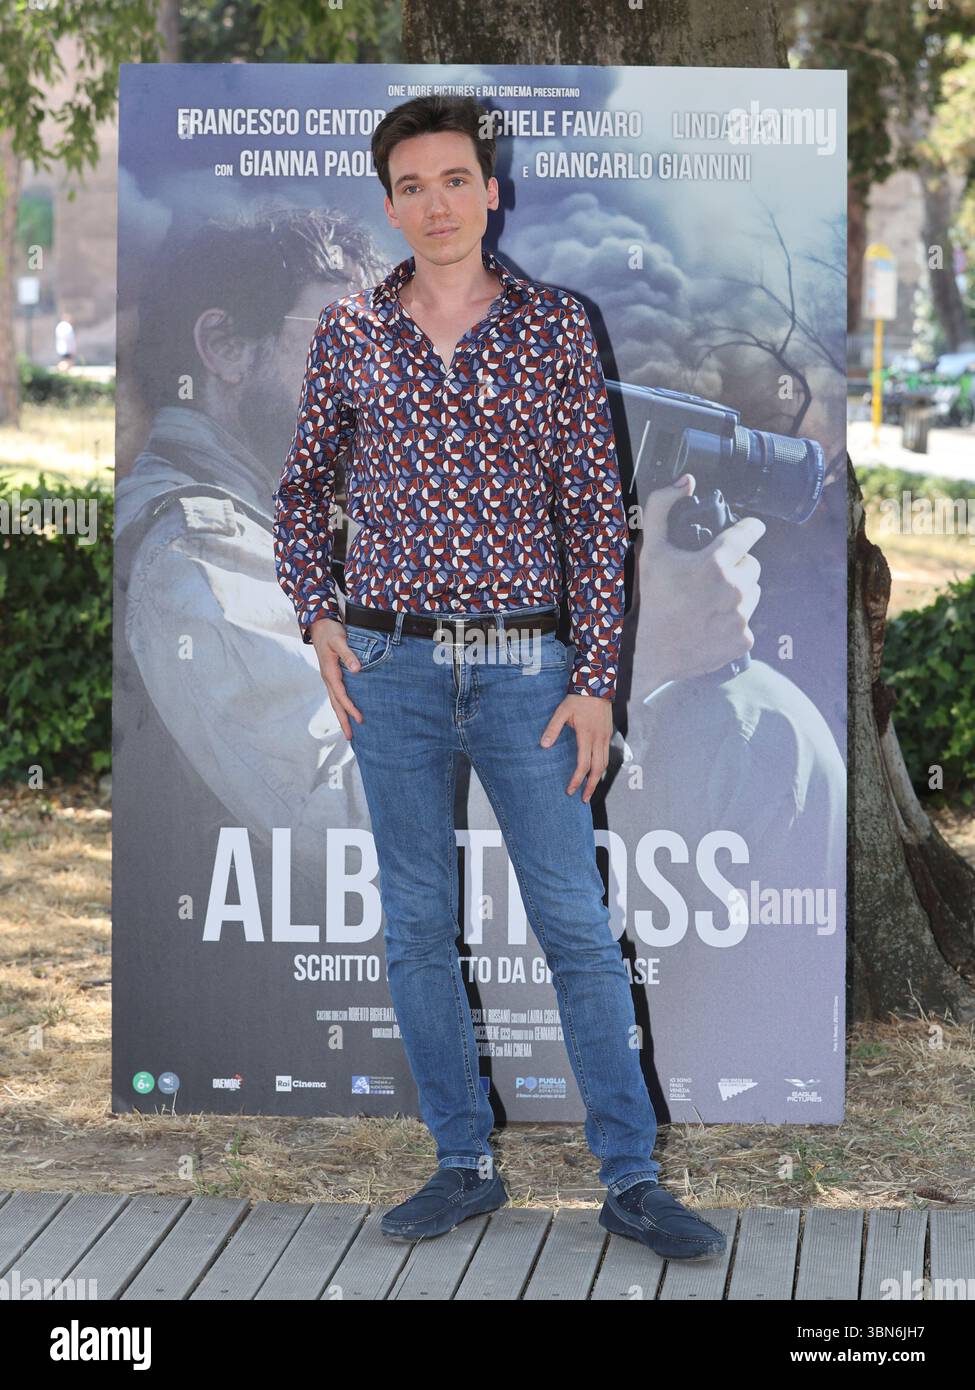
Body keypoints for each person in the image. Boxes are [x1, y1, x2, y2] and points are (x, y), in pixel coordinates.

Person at [273, 94, 728, 1259]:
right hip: (391, 668)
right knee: (418, 926)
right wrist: (317, 613)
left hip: (532, 671)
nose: (436, 202)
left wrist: (595, 681)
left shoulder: (558, 327)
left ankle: (629, 1174)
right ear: (390, 203)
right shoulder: (349, 332)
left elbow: (594, 515)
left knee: (575, 924)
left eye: (455, 179)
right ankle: (462, 1163)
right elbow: (300, 493)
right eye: (412, 185)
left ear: (491, 190)